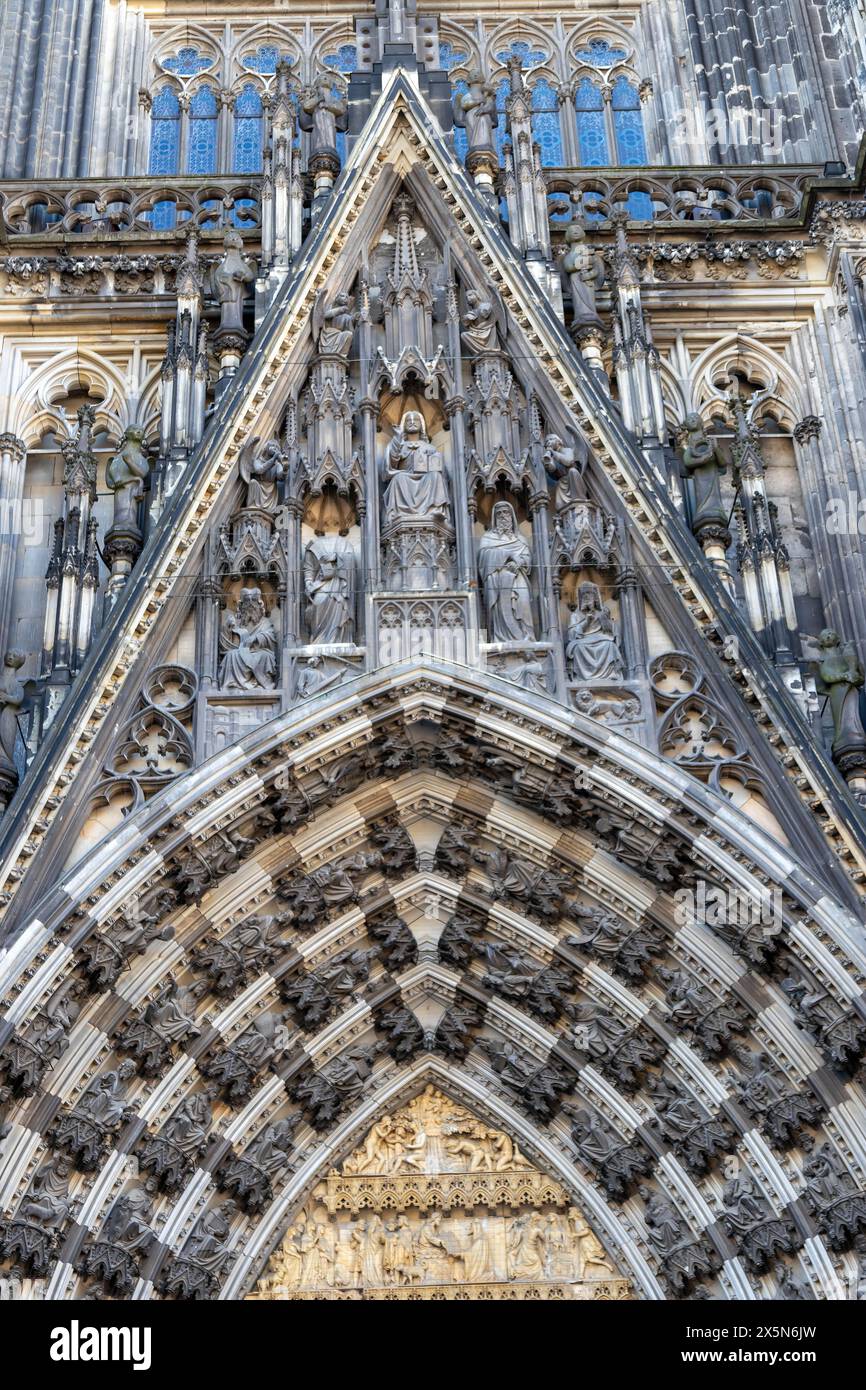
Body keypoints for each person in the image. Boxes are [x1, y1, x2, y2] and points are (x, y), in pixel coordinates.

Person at [478, 501, 535, 642]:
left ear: (512, 516)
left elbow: (527, 557)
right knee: (500, 610)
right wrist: (507, 555)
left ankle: (526, 635)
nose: (503, 516)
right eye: (499, 513)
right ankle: (500, 638)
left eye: (506, 512)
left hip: (518, 577)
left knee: (523, 603)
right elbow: (483, 558)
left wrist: (518, 562)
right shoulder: (488, 538)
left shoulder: (520, 539)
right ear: (494, 518)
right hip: (497, 580)